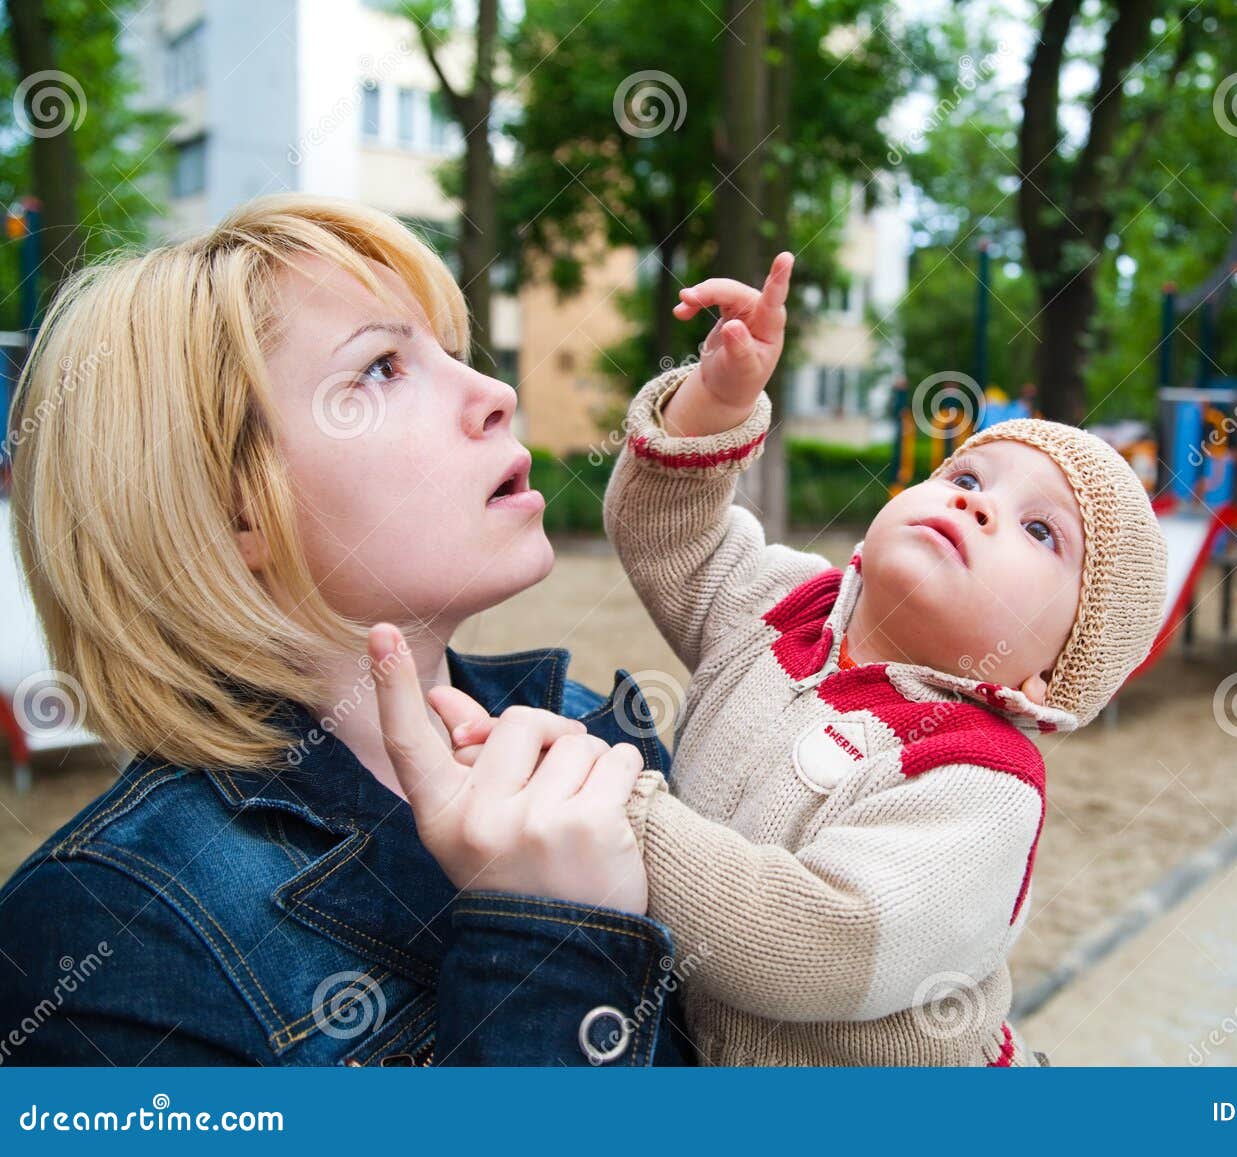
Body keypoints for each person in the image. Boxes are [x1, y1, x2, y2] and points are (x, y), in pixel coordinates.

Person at [0, 195, 688, 1066]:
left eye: (447, 351)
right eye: (382, 368)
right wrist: (549, 944)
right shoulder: (107, 933)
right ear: (233, 507)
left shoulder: (592, 730)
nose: (494, 394)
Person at [431, 253, 1169, 1065]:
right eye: (967, 473)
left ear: (1046, 679)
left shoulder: (977, 782)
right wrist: (715, 404)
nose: (978, 502)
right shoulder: (787, 604)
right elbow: (672, 536)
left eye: (1040, 530)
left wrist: (616, 811)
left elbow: (827, 939)